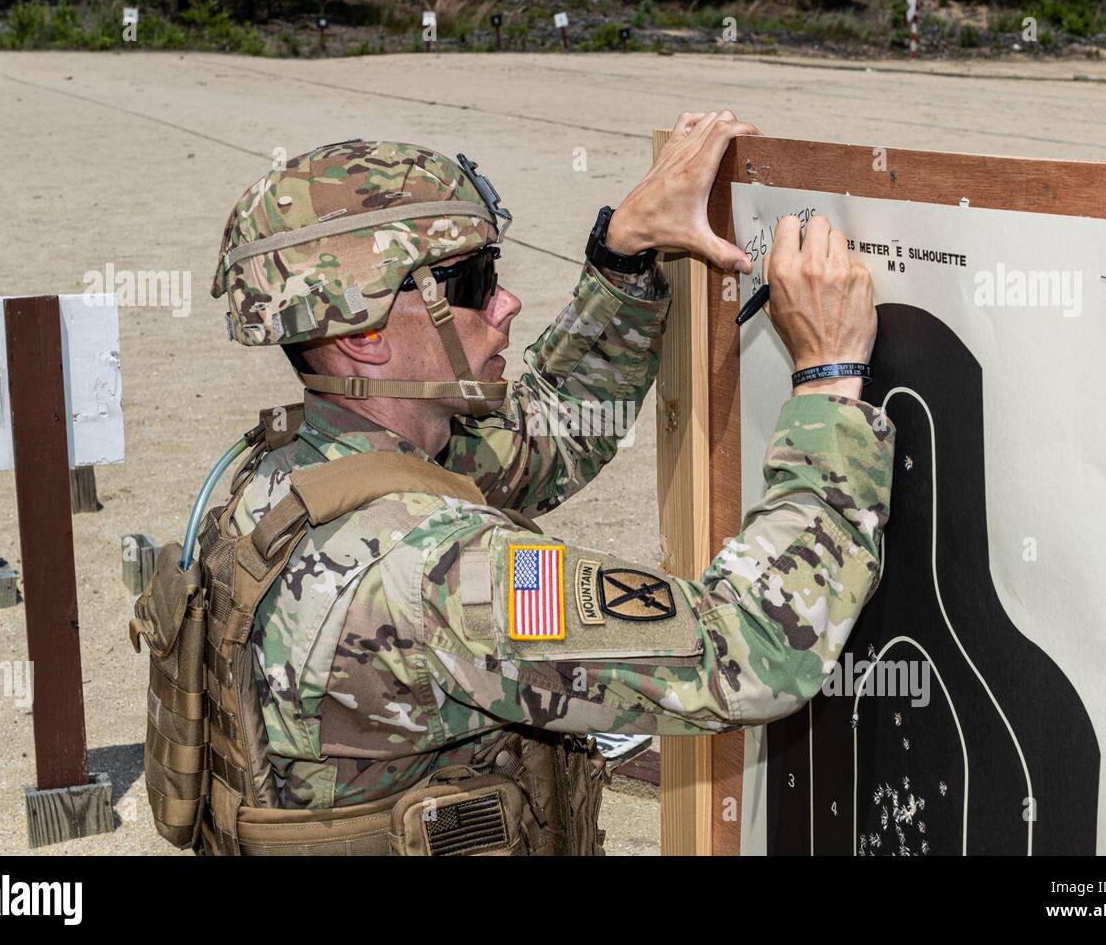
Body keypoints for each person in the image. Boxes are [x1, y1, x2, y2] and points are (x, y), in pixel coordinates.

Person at [191, 111, 893, 855]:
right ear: (362, 334)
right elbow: (751, 650)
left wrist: (626, 256)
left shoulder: (285, 478)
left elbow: (547, 438)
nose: (506, 302)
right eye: (473, 282)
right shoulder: (444, 576)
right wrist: (828, 383)